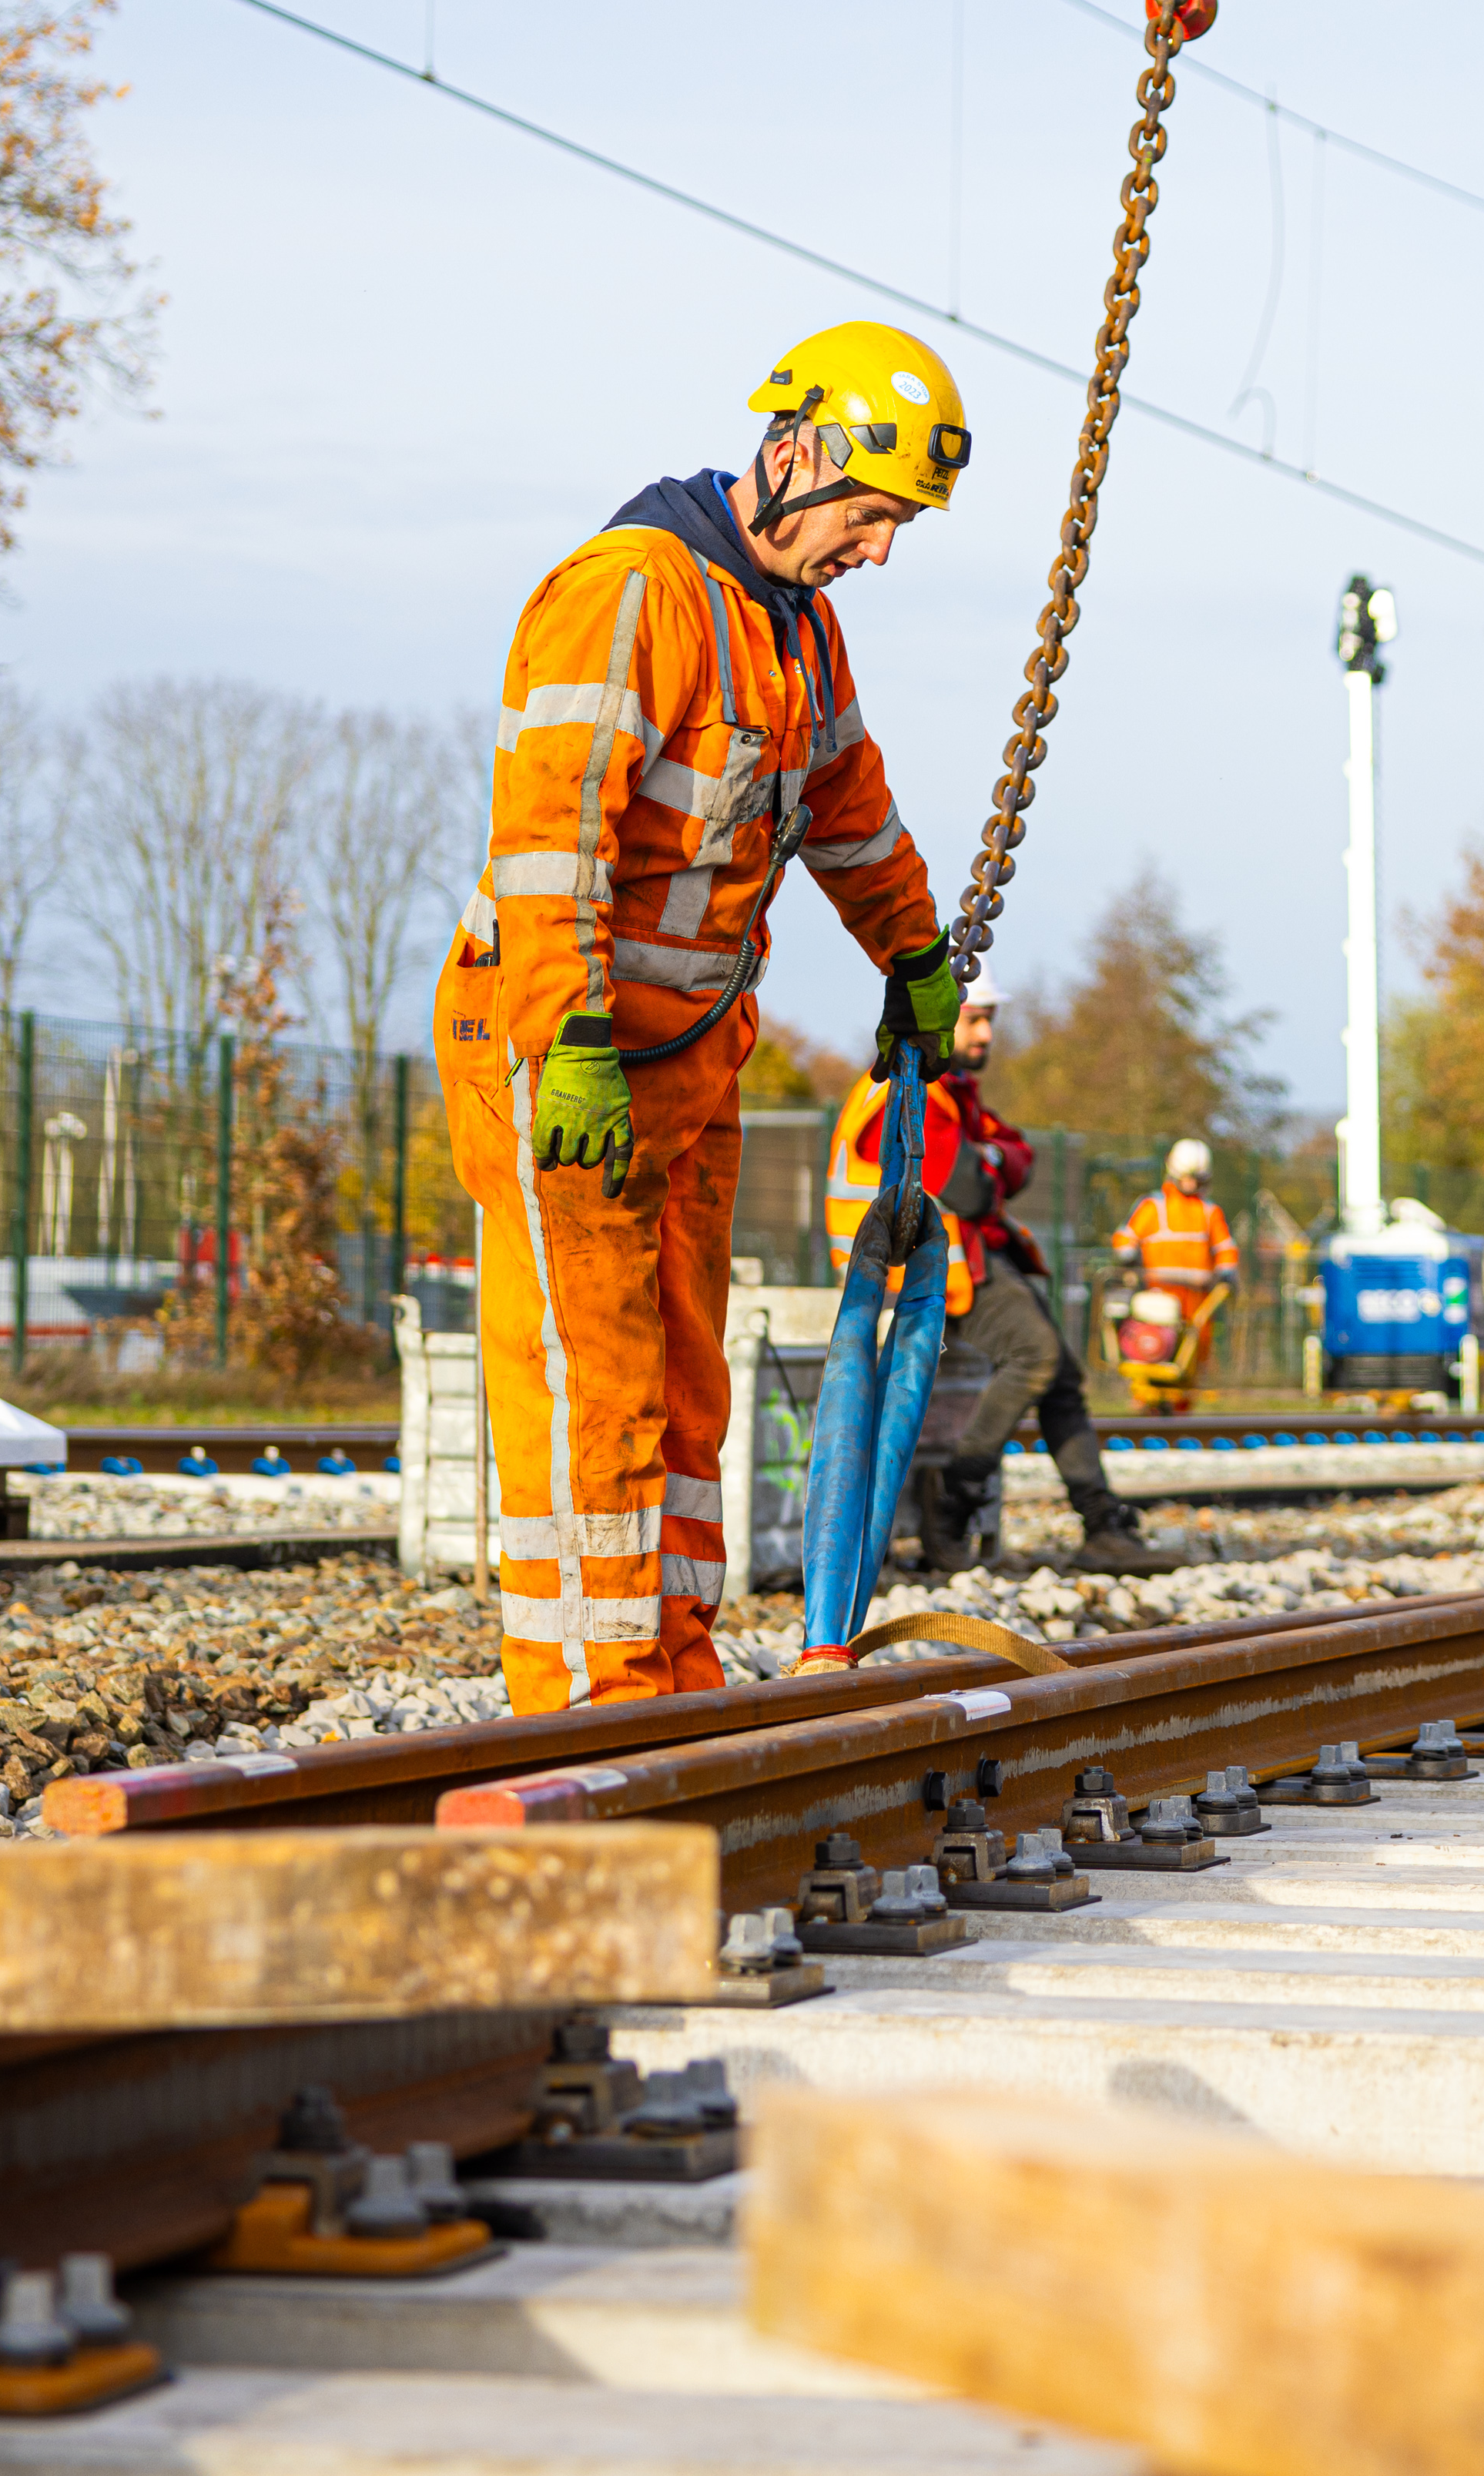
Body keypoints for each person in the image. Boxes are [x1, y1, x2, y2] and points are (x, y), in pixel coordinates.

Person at [438, 323, 970, 1710]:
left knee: (684, 1390)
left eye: (898, 524)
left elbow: (850, 815)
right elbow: (551, 844)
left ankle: (671, 1668)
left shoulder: (798, 630)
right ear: (793, 456)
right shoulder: (629, 596)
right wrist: (572, 1049)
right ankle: (587, 1695)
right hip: (573, 1060)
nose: (880, 548)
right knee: (590, 1382)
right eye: (870, 513)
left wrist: (916, 957)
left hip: (686, 1067)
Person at [829, 997, 1164, 1574]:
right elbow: (974, 1190)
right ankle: (953, 1502)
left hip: (962, 1261)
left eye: (991, 1020)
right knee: (1036, 1355)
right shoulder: (906, 1094)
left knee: (1061, 1376)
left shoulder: (948, 1089)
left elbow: (1020, 1156)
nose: (985, 1033)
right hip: (918, 1274)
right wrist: (987, 1160)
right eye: (974, 1018)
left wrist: (988, 1156)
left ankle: (1101, 1523)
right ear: (939, 1014)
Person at [1107, 1135, 1238, 1412]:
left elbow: (1225, 1248)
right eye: (1187, 1178)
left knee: (1193, 1355)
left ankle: (1180, 1411)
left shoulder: (1209, 1212)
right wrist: (1127, 1255)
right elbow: (1125, 1236)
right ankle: (1145, 1402)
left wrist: (1227, 1272)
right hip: (1158, 1292)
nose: (1192, 1184)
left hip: (1198, 1297)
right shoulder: (1152, 1207)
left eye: (1197, 1179)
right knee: (1152, 1348)